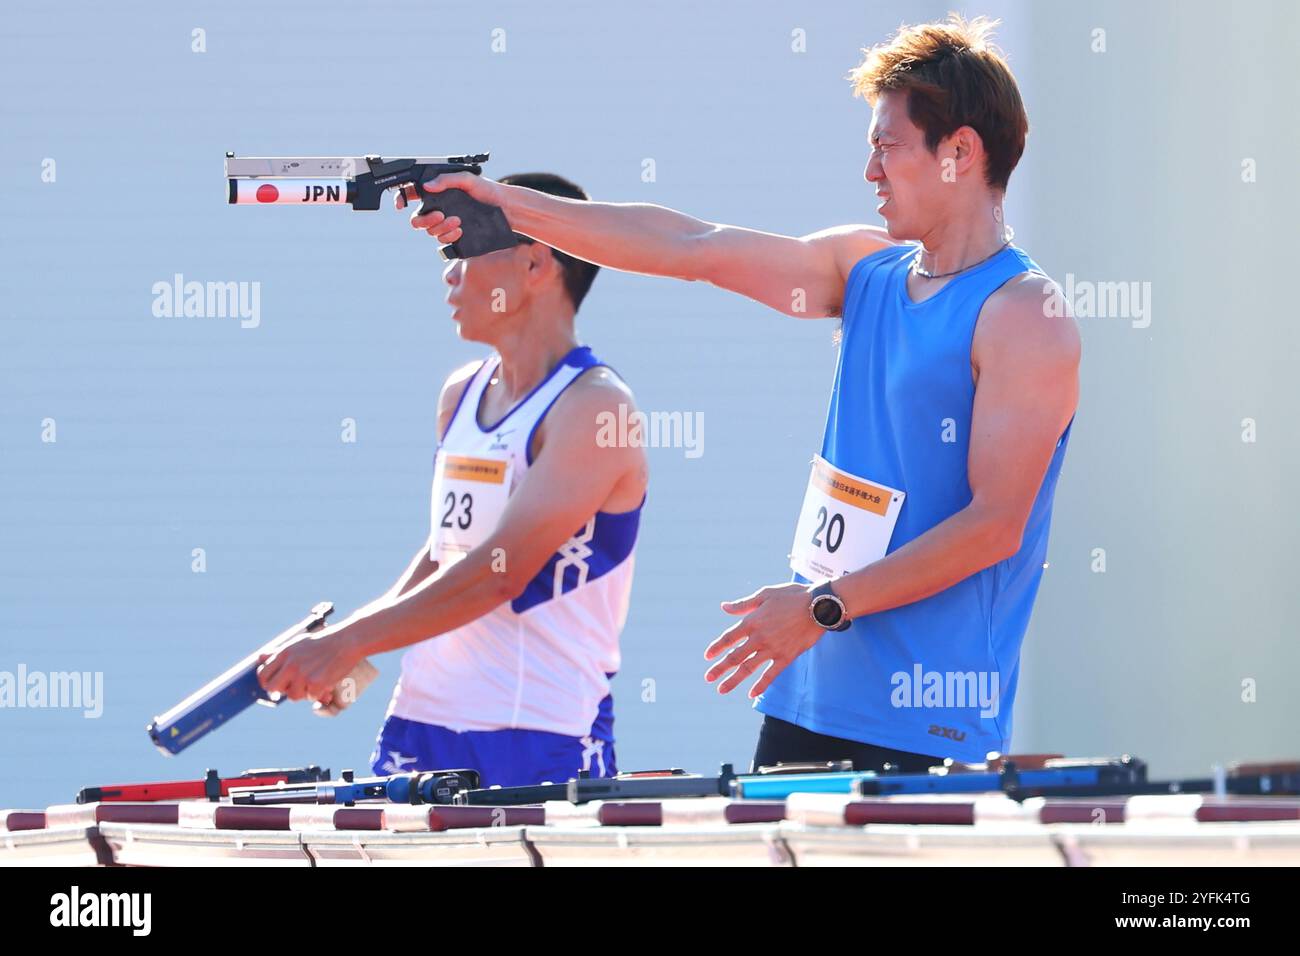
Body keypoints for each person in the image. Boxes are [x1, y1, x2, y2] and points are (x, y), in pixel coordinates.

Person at [404, 15, 1079, 772]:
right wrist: (502, 207)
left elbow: (995, 527)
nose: (871, 173)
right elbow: (691, 248)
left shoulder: (1023, 315)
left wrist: (827, 606)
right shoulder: (867, 270)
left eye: (887, 148)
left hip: (926, 720)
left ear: (959, 151)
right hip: (809, 689)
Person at [259, 173, 649, 788]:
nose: (448, 274)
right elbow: (448, 552)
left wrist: (348, 639)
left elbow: (501, 572)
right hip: (421, 720)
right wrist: (354, 645)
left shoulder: (598, 408)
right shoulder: (462, 391)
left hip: (539, 734)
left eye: (460, 253)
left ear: (535, 263)